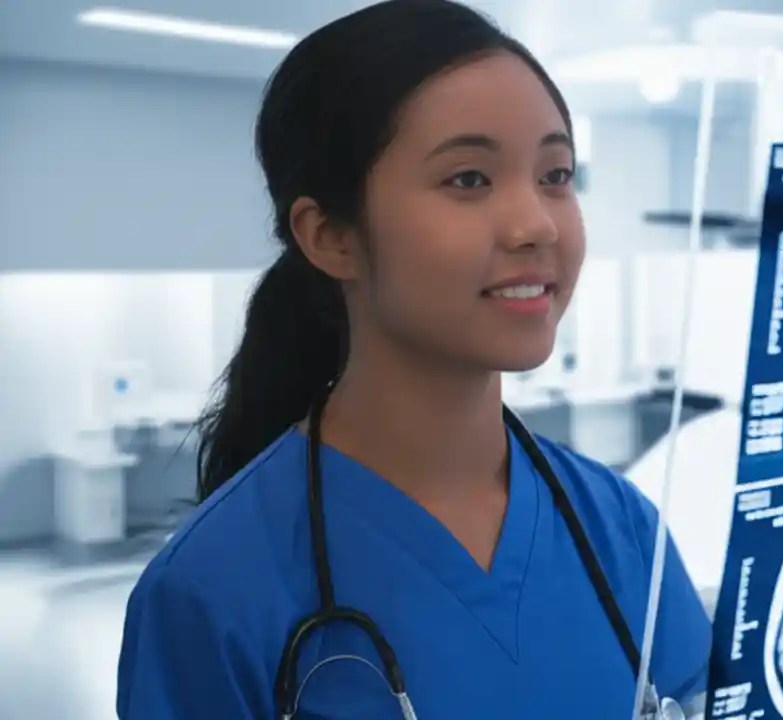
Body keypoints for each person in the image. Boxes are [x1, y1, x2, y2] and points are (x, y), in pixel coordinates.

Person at [114, 1, 711, 717]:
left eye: (555, 175)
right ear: (331, 237)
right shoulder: (210, 592)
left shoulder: (621, 532)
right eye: (469, 179)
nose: (537, 224)